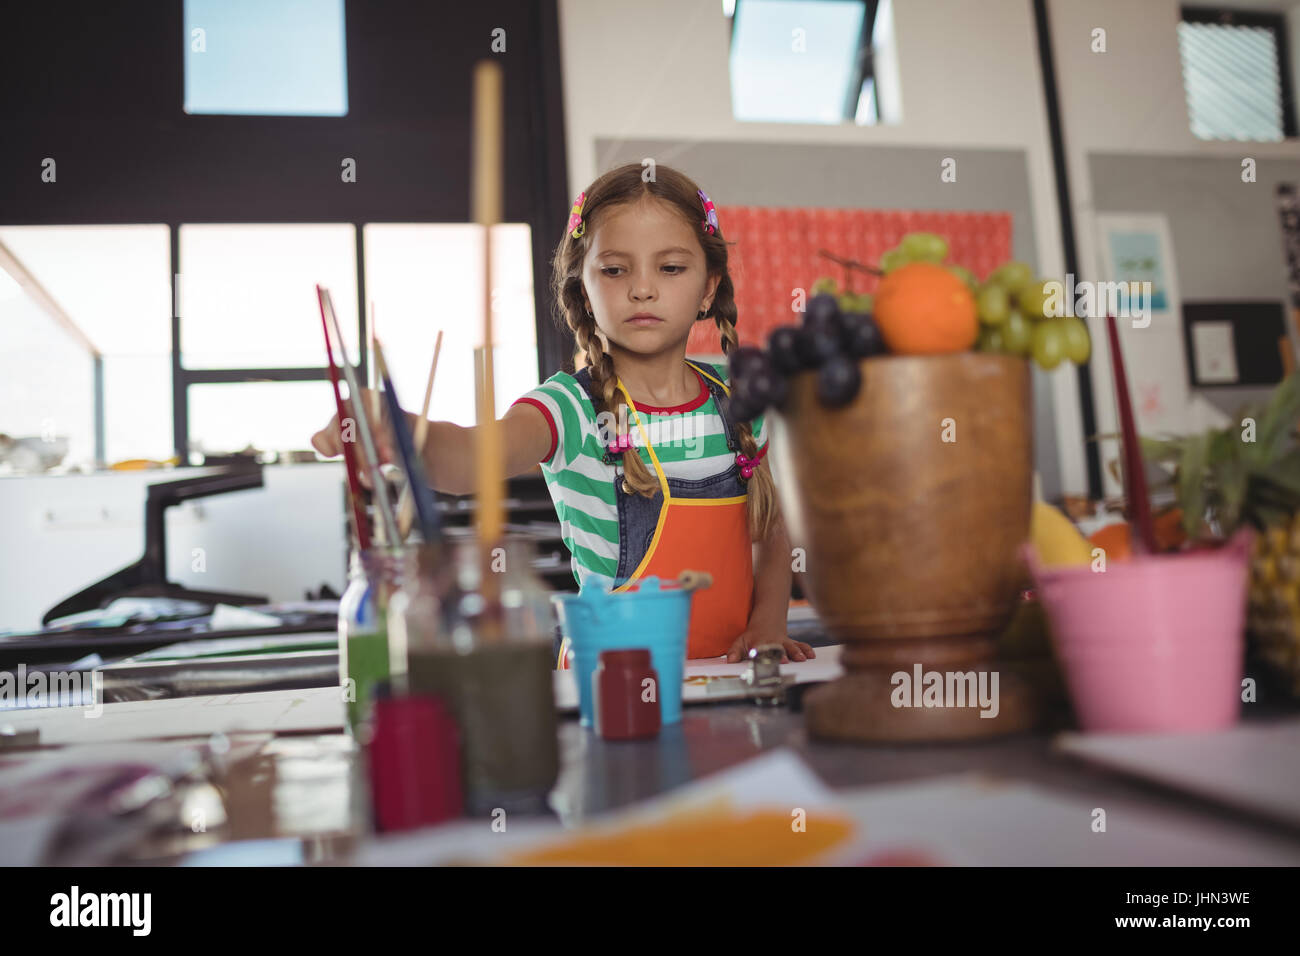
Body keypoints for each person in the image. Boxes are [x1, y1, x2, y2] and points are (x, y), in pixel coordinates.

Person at [312, 162, 813, 665]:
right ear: (584, 290)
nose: (642, 288)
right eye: (615, 270)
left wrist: (768, 624)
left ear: (708, 288)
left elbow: (772, 528)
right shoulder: (569, 407)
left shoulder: (742, 398)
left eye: (671, 267)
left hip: (728, 682)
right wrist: (402, 432)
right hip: (609, 689)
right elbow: (471, 458)